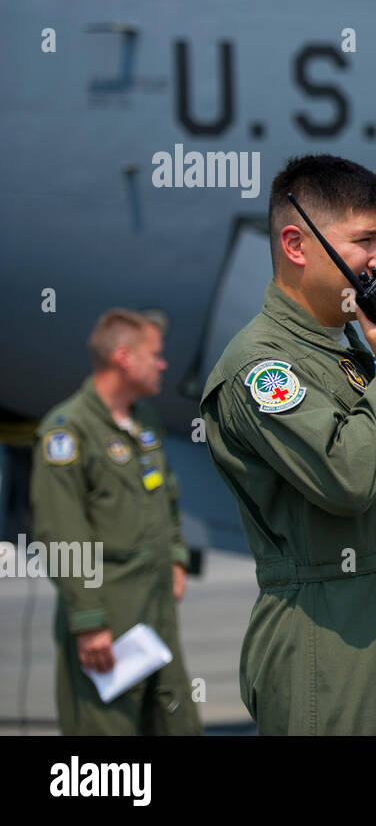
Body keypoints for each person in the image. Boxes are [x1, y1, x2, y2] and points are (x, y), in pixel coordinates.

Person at [199, 154, 376, 735]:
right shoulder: (262, 368)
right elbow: (347, 478)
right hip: (332, 663)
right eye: (365, 240)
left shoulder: (346, 356)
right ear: (297, 245)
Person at [30, 308, 202, 735]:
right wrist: (89, 623)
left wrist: (177, 556)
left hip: (157, 610)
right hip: (110, 617)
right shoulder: (68, 433)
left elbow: (166, 497)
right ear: (124, 358)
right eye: (155, 355)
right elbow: (61, 534)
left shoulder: (143, 422)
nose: (163, 364)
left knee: (176, 722)